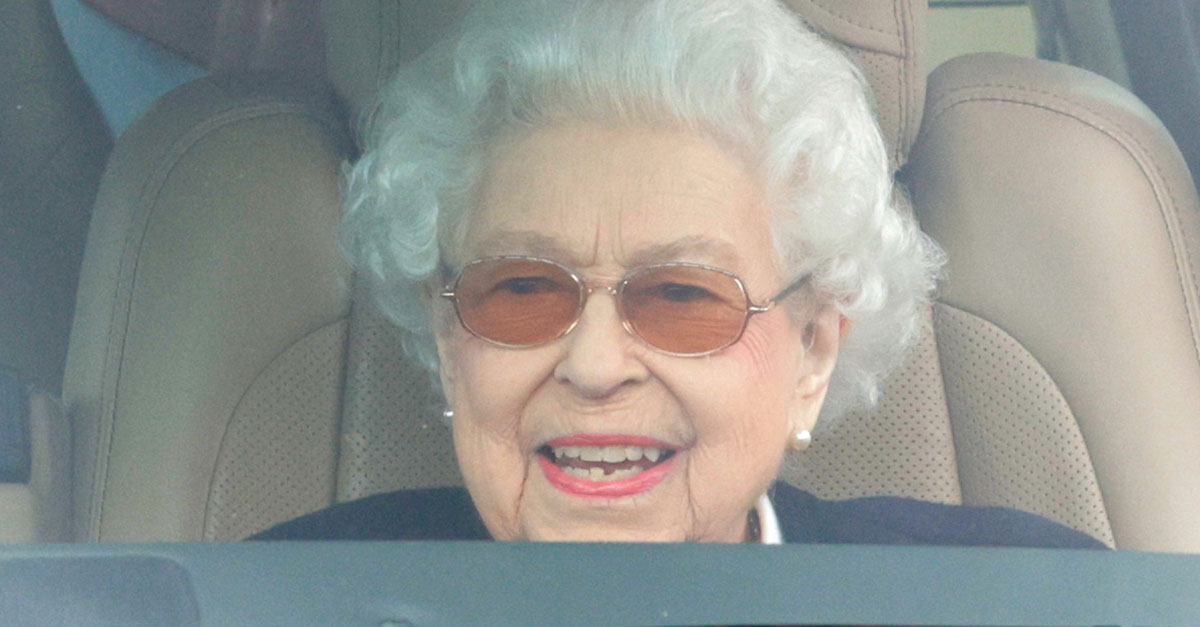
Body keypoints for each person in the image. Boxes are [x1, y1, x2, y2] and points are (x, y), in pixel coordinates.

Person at [256, 0, 1102, 548]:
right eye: (521, 291)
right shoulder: (270, 600)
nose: (594, 366)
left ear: (812, 352)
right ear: (448, 338)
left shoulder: (1025, 594)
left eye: (683, 297)